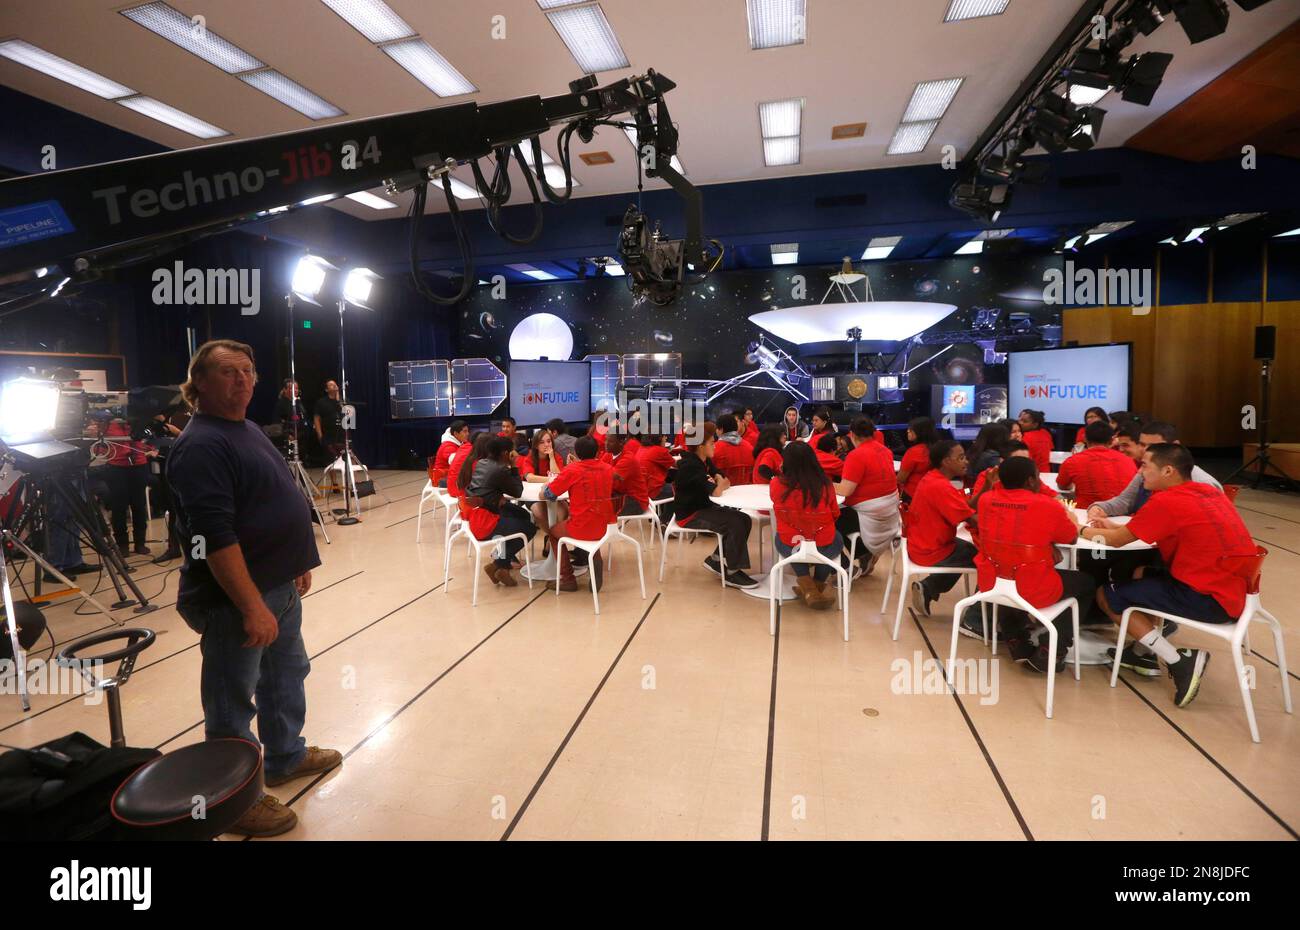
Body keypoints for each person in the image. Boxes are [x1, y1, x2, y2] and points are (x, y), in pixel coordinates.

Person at [167, 339, 338, 838]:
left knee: (287, 673)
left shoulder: (244, 429)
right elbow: (214, 537)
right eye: (227, 371)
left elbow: (271, 498)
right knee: (231, 699)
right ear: (199, 382)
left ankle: (285, 755)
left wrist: (296, 562)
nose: (241, 380)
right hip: (236, 599)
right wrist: (249, 606)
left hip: (277, 585)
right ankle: (230, 801)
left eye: (248, 370)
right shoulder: (201, 444)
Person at [1082, 444, 1257, 707]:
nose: (1139, 472)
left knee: (1107, 595)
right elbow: (1145, 530)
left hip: (1208, 599)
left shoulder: (1167, 500)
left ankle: (1179, 660)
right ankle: (1142, 652)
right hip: (1235, 593)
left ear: (1167, 470)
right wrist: (1115, 527)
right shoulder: (1210, 494)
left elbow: (1117, 542)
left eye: (1144, 466)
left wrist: (1076, 530)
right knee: (1140, 572)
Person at [974, 457, 1097, 672]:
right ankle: (1053, 650)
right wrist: (1071, 519)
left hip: (991, 582)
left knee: (1006, 569)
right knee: (1086, 583)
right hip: (1033, 588)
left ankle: (1015, 640)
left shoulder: (986, 500)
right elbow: (1071, 538)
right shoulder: (1046, 504)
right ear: (1031, 481)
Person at [671, 422, 757, 589]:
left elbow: (725, 480)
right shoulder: (691, 466)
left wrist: (718, 481)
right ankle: (733, 572)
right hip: (690, 514)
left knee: (744, 518)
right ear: (701, 446)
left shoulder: (704, 461)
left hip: (703, 507)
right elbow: (718, 490)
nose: (715, 445)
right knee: (734, 522)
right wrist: (719, 482)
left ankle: (716, 560)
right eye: (712, 442)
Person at [1088, 419, 1222, 519]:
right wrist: (1099, 507)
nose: (1146, 451)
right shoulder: (1147, 470)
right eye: (1142, 444)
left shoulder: (1203, 483)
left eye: (1155, 446)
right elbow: (1126, 501)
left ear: (1175, 446)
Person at [907, 440, 976, 619]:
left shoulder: (932, 478)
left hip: (920, 542)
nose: (966, 461)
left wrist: (985, 488)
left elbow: (963, 507)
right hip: (931, 549)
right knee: (983, 558)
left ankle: (928, 588)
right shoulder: (941, 486)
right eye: (961, 457)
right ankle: (977, 617)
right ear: (946, 461)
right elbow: (971, 519)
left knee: (970, 550)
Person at [770, 441, 841, 610]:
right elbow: (835, 514)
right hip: (823, 545)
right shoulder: (826, 484)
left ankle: (808, 587)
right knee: (834, 539)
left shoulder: (777, 484)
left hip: (792, 544)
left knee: (788, 539)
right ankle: (815, 586)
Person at [462, 436, 535, 588]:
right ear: (505, 453)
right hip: (486, 520)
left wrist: (496, 497)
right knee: (529, 528)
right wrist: (514, 466)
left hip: (479, 512)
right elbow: (518, 492)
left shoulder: (482, 463)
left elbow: (486, 488)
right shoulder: (500, 469)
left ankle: (502, 565)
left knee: (523, 515)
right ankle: (498, 565)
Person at [543, 436, 613, 592]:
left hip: (580, 527)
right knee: (592, 524)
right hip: (605, 526)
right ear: (597, 451)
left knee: (553, 533)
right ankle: (595, 557)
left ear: (577, 452)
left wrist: (546, 486)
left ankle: (567, 579)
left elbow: (550, 494)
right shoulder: (608, 468)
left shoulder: (572, 470)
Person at [834, 417, 900, 576]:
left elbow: (845, 490)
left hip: (869, 515)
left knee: (827, 519)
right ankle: (864, 554)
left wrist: (825, 484)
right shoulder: (886, 451)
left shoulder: (856, 455)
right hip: (890, 513)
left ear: (852, 435)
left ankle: (847, 565)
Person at [102, 416, 157, 556]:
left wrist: (152, 449)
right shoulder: (107, 422)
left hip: (139, 465)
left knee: (139, 505)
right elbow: (101, 445)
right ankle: (122, 545)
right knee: (119, 507)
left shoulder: (140, 420)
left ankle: (140, 543)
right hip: (116, 467)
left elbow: (151, 438)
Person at [1056, 420, 1137, 509]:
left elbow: (1063, 486)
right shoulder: (1128, 461)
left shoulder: (1072, 461)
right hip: (1123, 516)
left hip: (1085, 515)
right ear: (1111, 440)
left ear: (1085, 438)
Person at [969, 440, 1057, 510]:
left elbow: (1054, 497)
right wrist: (988, 485)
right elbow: (973, 507)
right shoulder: (988, 476)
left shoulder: (1029, 476)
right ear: (1002, 461)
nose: (1024, 465)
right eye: (1018, 461)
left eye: (1026, 460)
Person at [606, 433, 649, 517]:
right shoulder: (608, 454)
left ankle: (609, 529)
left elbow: (609, 475)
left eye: (610, 441)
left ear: (621, 442)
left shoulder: (628, 458)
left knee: (599, 509)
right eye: (606, 440)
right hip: (620, 494)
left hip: (636, 501)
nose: (606, 443)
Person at [897, 416, 937, 500]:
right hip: (934, 493)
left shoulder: (913, 452)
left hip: (913, 494)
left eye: (911, 429)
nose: (908, 431)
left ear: (921, 432)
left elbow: (901, 479)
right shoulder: (939, 448)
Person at [712, 413, 755, 485]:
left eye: (717, 428)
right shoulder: (749, 446)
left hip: (724, 493)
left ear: (721, 430)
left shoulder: (714, 448)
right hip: (747, 492)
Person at [637, 434, 676, 501]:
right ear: (659, 438)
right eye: (664, 436)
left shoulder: (641, 448)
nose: (666, 438)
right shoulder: (659, 450)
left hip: (642, 490)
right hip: (654, 491)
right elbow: (676, 465)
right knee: (685, 489)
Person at [430, 419, 468, 487]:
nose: (468, 434)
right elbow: (457, 463)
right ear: (456, 433)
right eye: (465, 431)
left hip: (449, 474)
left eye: (467, 431)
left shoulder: (458, 443)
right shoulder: (448, 446)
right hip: (442, 478)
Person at [313, 379, 344, 459]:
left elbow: (348, 416)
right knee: (331, 460)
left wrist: (338, 400)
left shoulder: (343, 401)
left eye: (335, 384)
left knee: (347, 458)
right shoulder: (321, 402)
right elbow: (317, 419)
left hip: (342, 434)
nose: (334, 385)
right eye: (331, 385)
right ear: (326, 389)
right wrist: (320, 435)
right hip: (328, 435)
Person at [1017, 408, 1053, 473]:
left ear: (1035, 425)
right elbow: (1050, 448)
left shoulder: (1024, 436)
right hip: (1046, 472)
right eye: (1020, 419)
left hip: (1030, 473)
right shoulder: (1046, 433)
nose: (1020, 423)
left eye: (1025, 421)